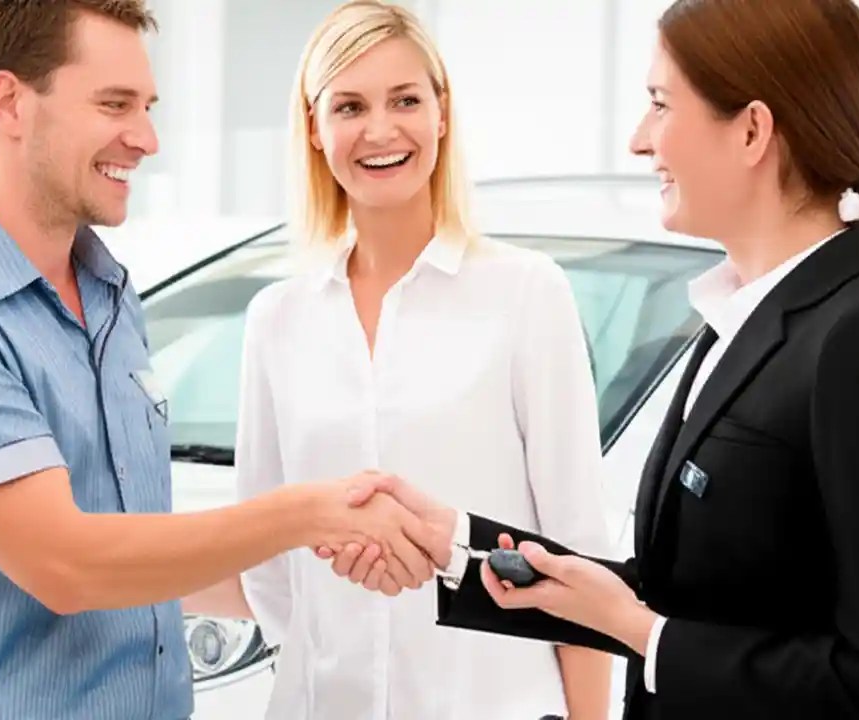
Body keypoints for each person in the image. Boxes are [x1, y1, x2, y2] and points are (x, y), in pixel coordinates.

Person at [333, 1, 859, 719]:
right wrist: (456, 543)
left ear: (753, 130)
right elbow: (692, 593)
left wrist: (644, 633)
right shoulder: (736, 320)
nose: (640, 141)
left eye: (660, 105)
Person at [0, 2, 434, 718]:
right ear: (11, 102)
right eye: (114, 105)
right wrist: (308, 514)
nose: (146, 139)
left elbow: (142, 570)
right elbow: (69, 565)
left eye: (147, 107)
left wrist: (348, 563)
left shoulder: (111, 298)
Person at [182, 2, 614, 718]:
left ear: (442, 113)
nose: (380, 130)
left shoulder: (525, 294)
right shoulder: (277, 319)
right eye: (349, 106)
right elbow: (268, 567)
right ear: (315, 130)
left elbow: (579, 557)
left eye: (405, 100)